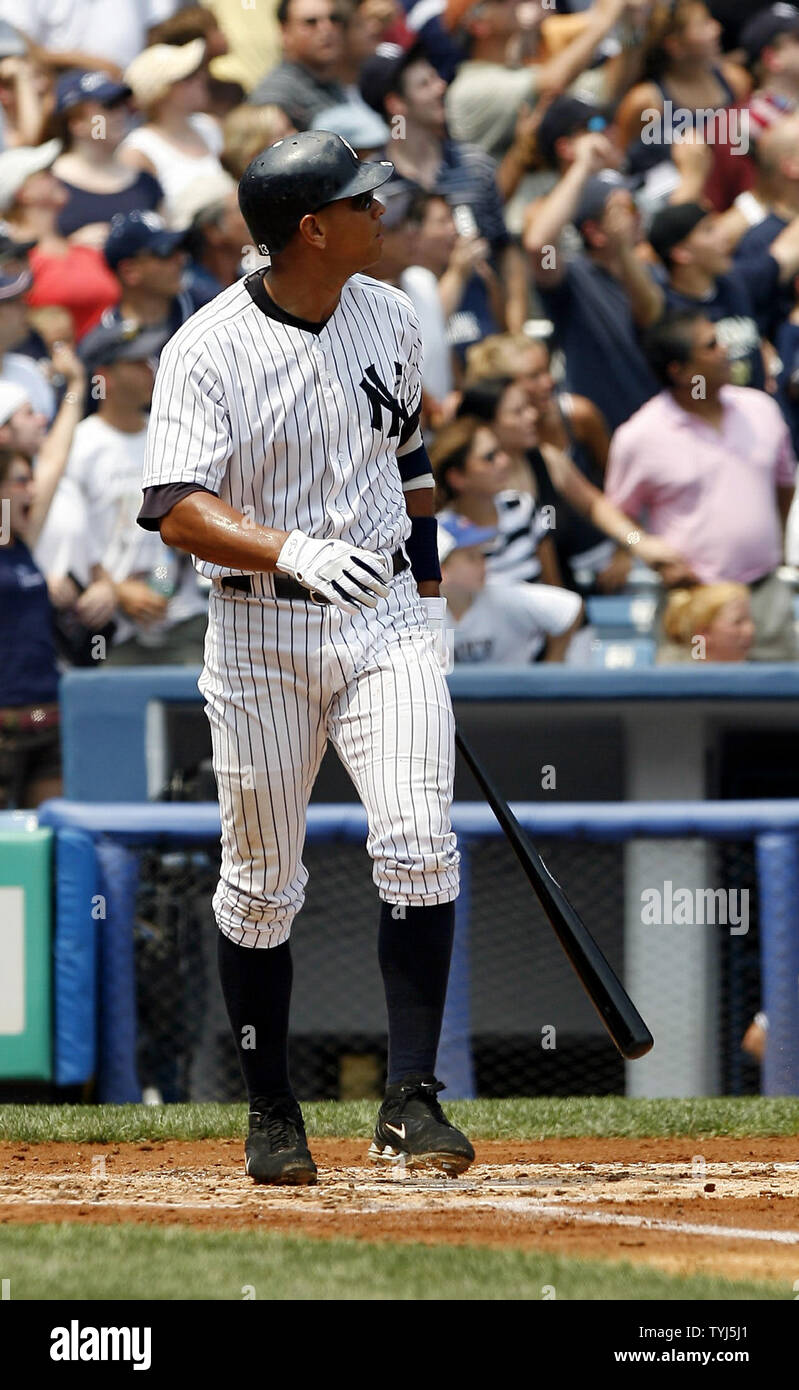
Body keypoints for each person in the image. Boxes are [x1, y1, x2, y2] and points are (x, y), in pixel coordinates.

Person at [137, 130, 475, 1183]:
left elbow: (411, 465)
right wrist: (288, 547)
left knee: (421, 843)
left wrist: (427, 602)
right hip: (259, 629)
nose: (387, 213)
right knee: (259, 886)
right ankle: (272, 1108)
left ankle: (410, 1100)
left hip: (383, 618)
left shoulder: (390, 314)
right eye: (364, 202)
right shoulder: (207, 345)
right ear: (311, 227)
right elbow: (175, 512)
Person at [606, 312, 798, 659]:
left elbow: (784, 486)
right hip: (695, 607)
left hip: (766, 599)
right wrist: (641, 544)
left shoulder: (762, 410)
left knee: (781, 710)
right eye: (710, 346)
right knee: (688, 710)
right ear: (679, 370)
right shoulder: (641, 436)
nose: (726, 350)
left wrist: (776, 541)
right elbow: (619, 518)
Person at [359, 40, 529, 332]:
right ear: (396, 104)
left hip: (485, 326)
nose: (441, 88)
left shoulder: (476, 166)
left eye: (436, 78)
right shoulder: (370, 187)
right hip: (409, 340)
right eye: (425, 84)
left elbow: (505, 250)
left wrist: (516, 331)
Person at [523, 137, 663, 431]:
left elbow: (650, 315)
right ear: (595, 232)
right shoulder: (573, 279)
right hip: (602, 439)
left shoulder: (653, 272)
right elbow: (539, 244)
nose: (639, 218)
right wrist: (582, 166)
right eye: (627, 211)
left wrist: (625, 250)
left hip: (661, 437)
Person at [0, 342, 85, 809]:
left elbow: (51, 463)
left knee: (49, 848)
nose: (32, 488)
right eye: (18, 480)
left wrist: (75, 387)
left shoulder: (22, 541)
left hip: (47, 719)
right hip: (3, 728)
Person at [0, 140, 121, 339]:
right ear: (24, 194)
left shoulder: (87, 247)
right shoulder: (11, 261)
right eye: (45, 173)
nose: (55, 176)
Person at [437, 511, 583, 664]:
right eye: (471, 558)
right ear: (441, 570)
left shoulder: (503, 594)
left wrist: (552, 664)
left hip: (515, 688)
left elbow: (570, 607)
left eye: (482, 555)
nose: (483, 564)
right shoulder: (421, 612)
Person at [50, 68, 162, 248]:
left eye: (121, 104)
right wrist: (70, 247)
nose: (120, 114)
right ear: (76, 123)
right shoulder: (47, 184)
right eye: (109, 105)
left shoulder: (145, 182)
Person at [119, 41, 225, 223]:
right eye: (188, 76)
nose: (201, 78)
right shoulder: (138, 150)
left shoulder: (209, 126)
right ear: (163, 92)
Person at [248, 0, 354, 129]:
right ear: (285, 32)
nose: (327, 29)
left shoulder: (333, 85)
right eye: (311, 22)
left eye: (334, 19)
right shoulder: (275, 97)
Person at [660, 581, 755, 662]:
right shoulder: (672, 676)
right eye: (737, 622)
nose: (749, 630)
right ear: (704, 633)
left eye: (749, 620)